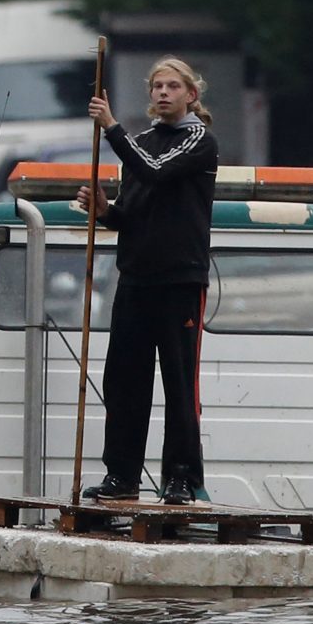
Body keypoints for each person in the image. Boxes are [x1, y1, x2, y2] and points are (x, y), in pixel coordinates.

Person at [75, 56, 219, 506]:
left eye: (173, 86)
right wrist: (104, 210)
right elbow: (130, 212)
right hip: (135, 277)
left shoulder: (199, 140)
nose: (162, 93)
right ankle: (121, 474)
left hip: (179, 280)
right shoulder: (138, 143)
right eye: (157, 85)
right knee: (123, 379)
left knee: (178, 383)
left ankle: (180, 476)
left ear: (191, 95)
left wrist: (111, 126)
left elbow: (156, 170)